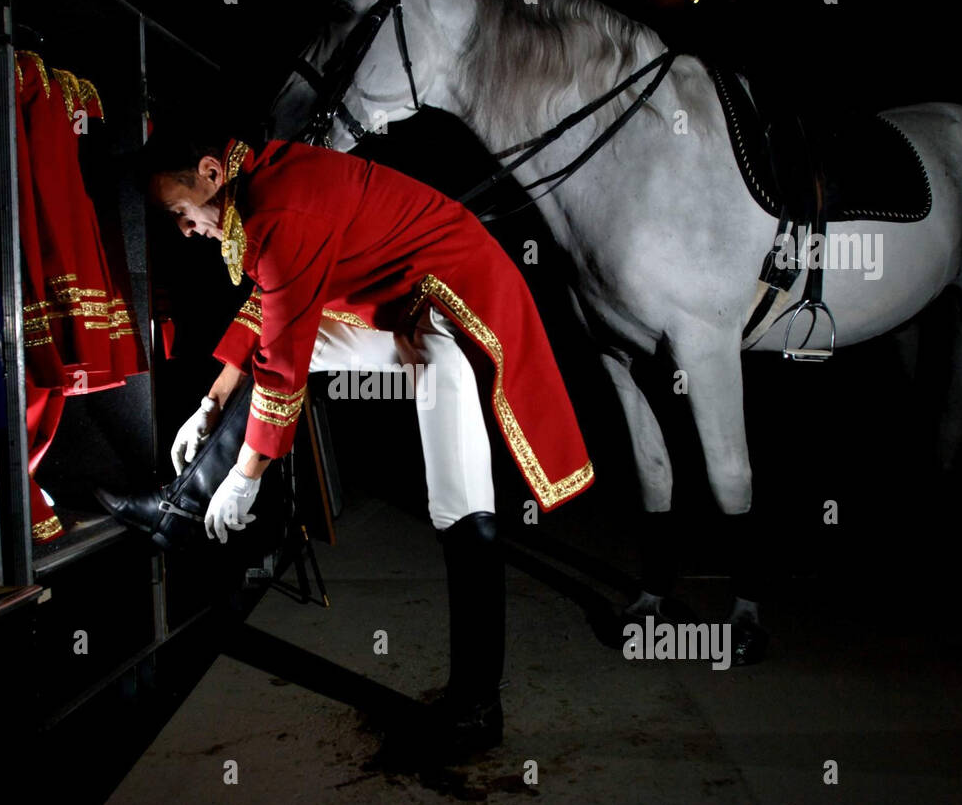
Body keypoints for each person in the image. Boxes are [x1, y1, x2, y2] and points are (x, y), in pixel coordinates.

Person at [101, 128, 595, 758]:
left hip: (452, 306)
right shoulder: (257, 190)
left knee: (458, 497)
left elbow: (283, 345)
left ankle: (476, 710)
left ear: (208, 172)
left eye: (179, 211)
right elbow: (270, 310)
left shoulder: (278, 206)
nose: (184, 228)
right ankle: (182, 507)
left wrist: (249, 473)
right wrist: (210, 402)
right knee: (292, 350)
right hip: (402, 302)